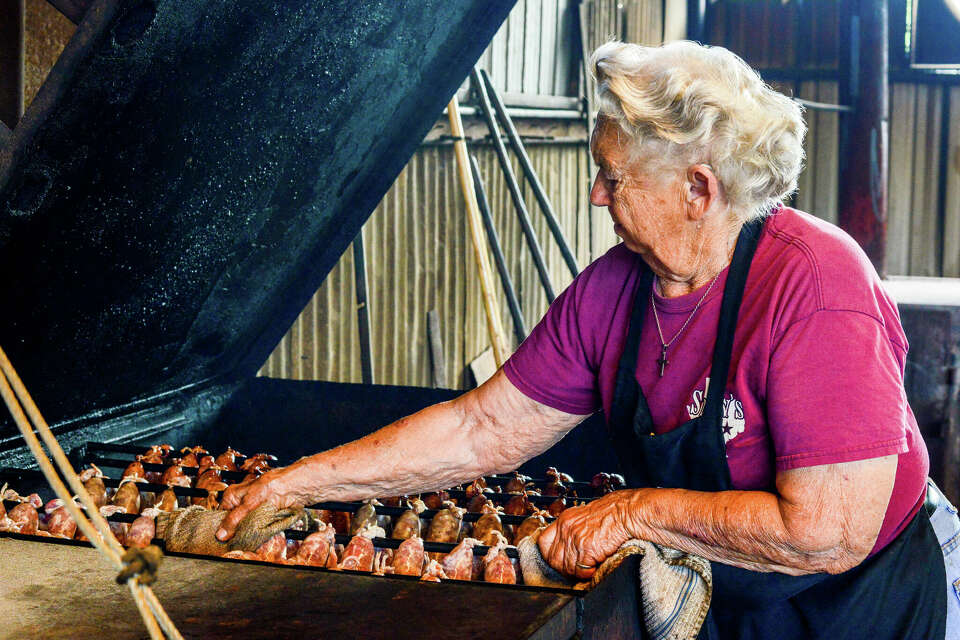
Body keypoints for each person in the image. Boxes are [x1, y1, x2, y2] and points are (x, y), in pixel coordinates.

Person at [217, 41, 953, 638]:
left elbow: (829, 531)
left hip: (856, 607)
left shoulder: (816, 287)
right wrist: (298, 482)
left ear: (699, 190)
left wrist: (634, 512)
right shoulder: (615, 289)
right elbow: (483, 427)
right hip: (726, 594)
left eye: (613, 176)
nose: (597, 194)